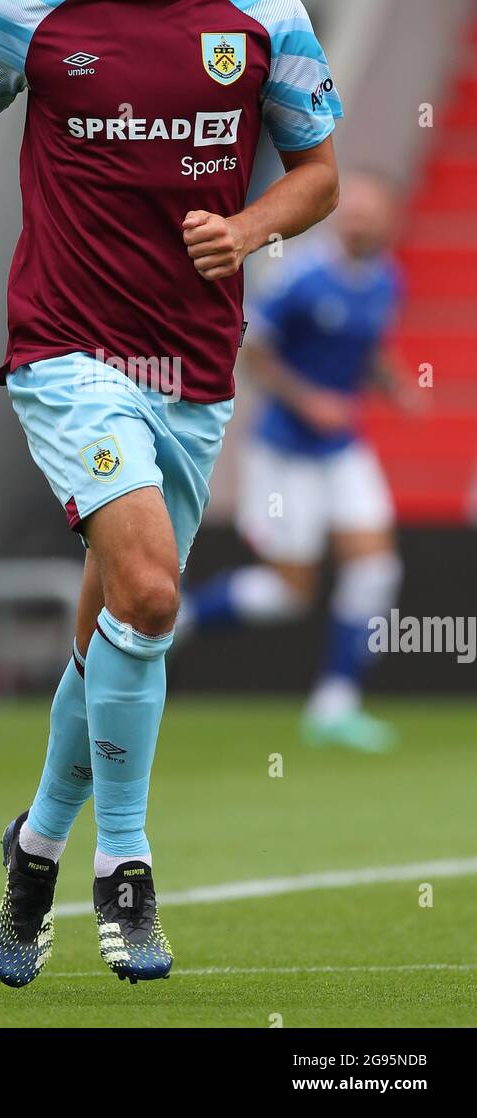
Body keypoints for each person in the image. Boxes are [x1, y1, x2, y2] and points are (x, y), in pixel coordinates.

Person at [0, 0, 343, 988]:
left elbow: (321, 175)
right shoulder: (32, 10)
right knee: (151, 594)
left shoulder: (265, 14)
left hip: (193, 371)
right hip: (70, 353)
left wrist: (249, 228)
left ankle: (36, 847)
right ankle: (127, 870)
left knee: (116, 613)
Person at [179, 170, 416, 752]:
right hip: (285, 450)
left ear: (386, 221)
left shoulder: (388, 279)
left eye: (369, 212)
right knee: (288, 593)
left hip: (341, 448)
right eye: (352, 210)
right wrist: (309, 401)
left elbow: (367, 347)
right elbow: (254, 349)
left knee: (377, 570)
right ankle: (177, 617)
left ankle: (335, 705)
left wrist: (394, 383)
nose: (359, 220)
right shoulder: (301, 275)